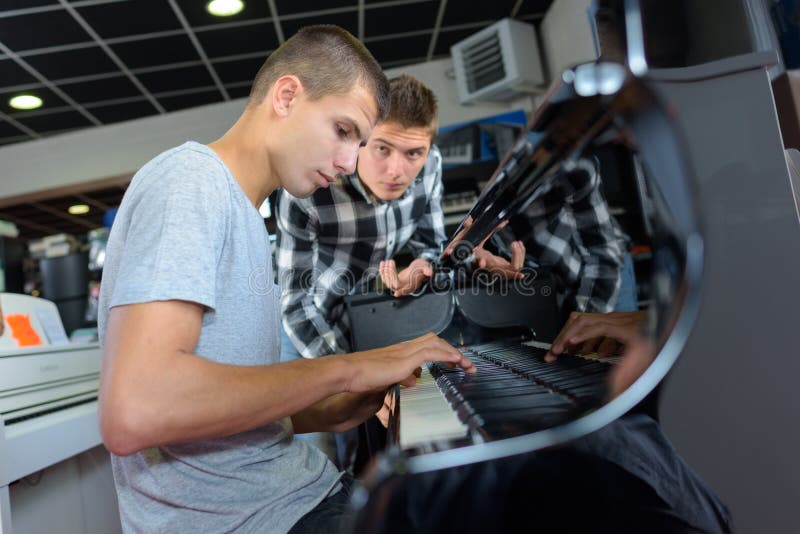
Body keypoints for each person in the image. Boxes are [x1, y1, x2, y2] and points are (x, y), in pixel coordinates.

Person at [97, 25, 475, 534]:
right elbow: (136, 411)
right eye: (343, 130)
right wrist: (347, 369)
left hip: (296, 492)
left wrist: (335, 406)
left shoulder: (247, 217)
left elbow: (218, 421)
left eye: (359, 143)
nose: (349, 163)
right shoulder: (191, 182)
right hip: (258, 518)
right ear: (287, 96)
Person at [276, 74, 524, 361]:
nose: (396, 171)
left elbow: (430, 247)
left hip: (372, 315)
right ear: (359, 138)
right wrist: (350, 371)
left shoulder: (430, 165)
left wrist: (423, 269)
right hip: (308, 325)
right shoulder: (307, 188)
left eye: (413, 153)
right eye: (382, 149)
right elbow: (295, 303)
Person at [503, 156, 630, 315]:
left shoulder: (575, 166)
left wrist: (582, 321)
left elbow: (603, 255)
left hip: (601, 279)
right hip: (542, 289)